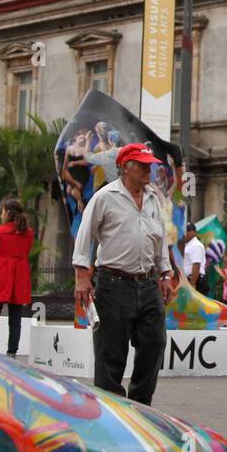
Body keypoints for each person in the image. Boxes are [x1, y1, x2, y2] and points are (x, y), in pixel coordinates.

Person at [72, 143, 178, 404]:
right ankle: (112, 410)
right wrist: (82, 277)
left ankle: (141, 406)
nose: (148, 170)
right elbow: (84, 238)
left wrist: (165, 273)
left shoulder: (153, 199)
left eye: (149, 165)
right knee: (111, 353)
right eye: (142, 165)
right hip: (113, 283)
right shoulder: (105, 197)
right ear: (124, 167)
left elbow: (159, 240)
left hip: (148, 282)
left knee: (154, 344)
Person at [0, 198, 34, 357]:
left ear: (7, 212)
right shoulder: (28, 233)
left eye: (2, 211)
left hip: (1, 274)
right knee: (15, 318)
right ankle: (12, 352)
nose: (1, 214)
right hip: (19, 275)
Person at [181, 223, 206, 292]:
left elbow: (196, 265)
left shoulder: (195, 245)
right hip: (189, 280)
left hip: (195, 281)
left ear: (193, 232)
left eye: (188, 231)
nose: (185, 234)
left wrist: (191, 286)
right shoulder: (188, 244)